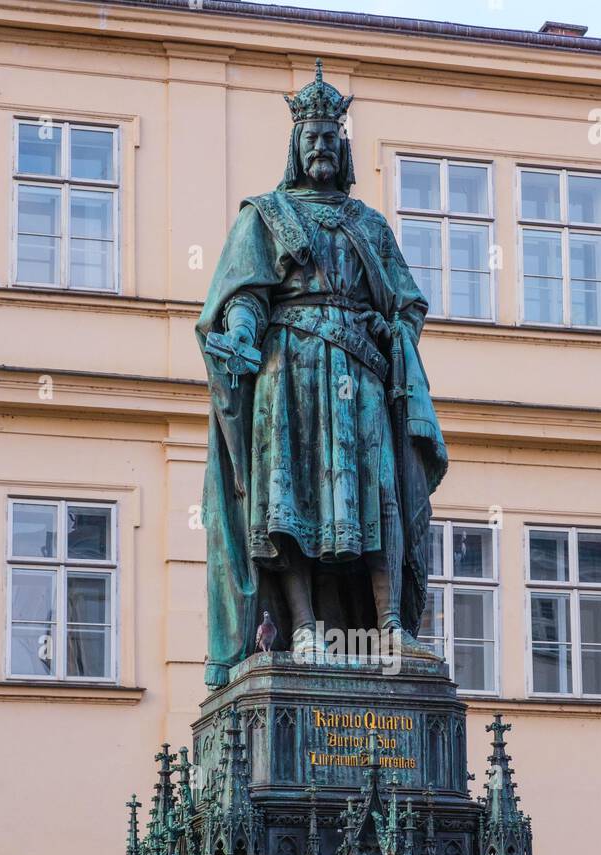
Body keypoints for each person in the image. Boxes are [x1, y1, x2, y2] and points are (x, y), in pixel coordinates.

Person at [196, 60, 448, 687]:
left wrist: (396, 334)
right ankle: (303, 627)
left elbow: (406, 303)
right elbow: (245, 294)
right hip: (288, 374)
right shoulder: (267, 215)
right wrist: (245, 334)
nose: (321, 147)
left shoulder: (369, 224)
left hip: (358, 373)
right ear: (296, 144)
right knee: (289, 499)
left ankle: (390, 626)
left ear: (343, 144)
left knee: (378, 495)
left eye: (330, 137)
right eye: (311, 137)